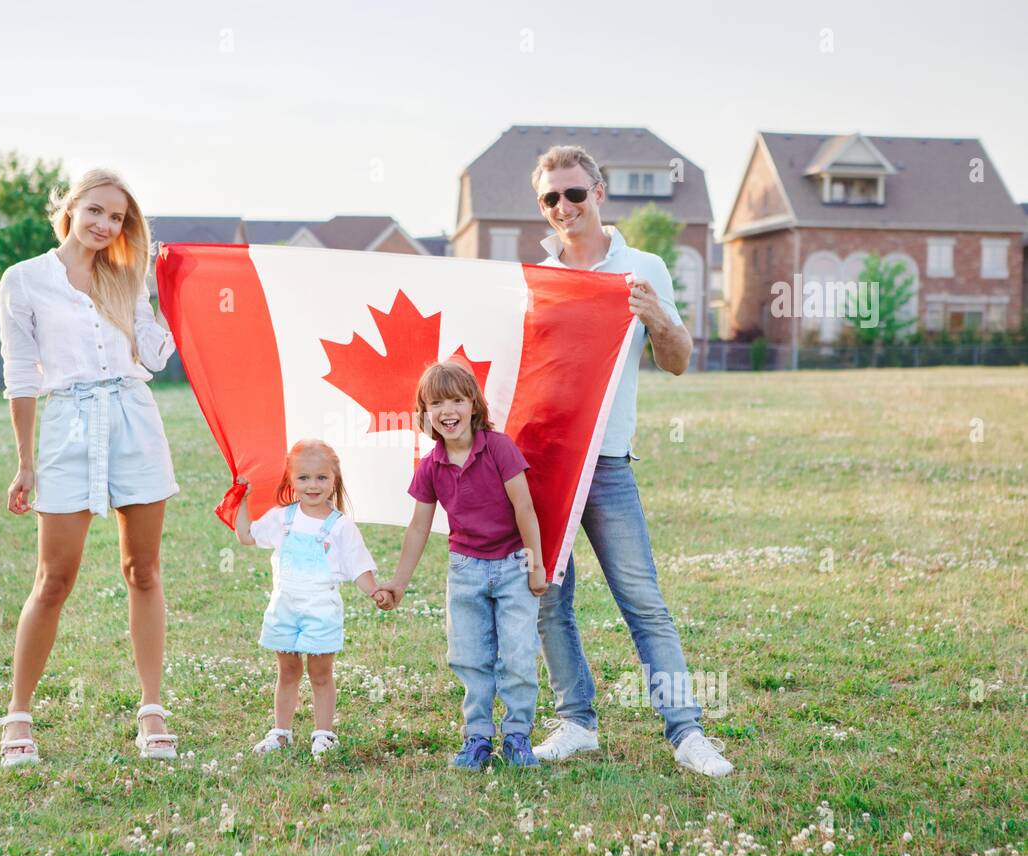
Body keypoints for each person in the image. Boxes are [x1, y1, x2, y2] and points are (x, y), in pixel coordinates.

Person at [529, 144, 732, 777]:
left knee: (642, 601)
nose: (565, 206)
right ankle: (576, 723)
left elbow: (676, 359)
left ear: (599, 191)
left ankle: (687, 732)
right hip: (544, 464)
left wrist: (654, 318)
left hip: (607, 462)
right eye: (551, 198)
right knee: (547, 600)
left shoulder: (641, 267)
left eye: (574, 193)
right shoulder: (536, 276)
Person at [0, 168, 181, 766]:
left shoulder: (126, 277)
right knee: (53, 580)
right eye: (96, 211)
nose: (105, 225)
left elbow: (151, 355)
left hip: (133, 417)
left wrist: (158, 292)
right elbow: (21, 377)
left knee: (143, 570)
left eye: (118, 218)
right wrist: (26, 463)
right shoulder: (23, 281)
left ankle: (152, 710)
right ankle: (18, 717)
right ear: (70, 208)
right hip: (68, 425)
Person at [375, 361, 548, 770]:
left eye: (455, 399)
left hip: (512, 565)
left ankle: (518, 736)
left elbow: (524, 506)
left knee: (518, 654)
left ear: (473, 404)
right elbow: (418, 528)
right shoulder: (431, 466)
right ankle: (478, 738)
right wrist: (399, 582)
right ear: (425, 413)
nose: (447, 410)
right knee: (469, 655)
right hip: (465, 569)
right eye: (436, 402)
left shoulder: (499, 447)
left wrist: (536, 563)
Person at [233, 440, 381, 758]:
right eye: (303, 478)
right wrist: (242, 500)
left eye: (321, 478)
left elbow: (360, 566)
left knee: (320, 673)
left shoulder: (340, 526)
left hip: (321, 611)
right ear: (290, 480)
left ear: (334, 480)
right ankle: (281, 732)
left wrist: (375, 591)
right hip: (285, 609)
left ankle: (324, 734)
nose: (312, 485)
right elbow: (246, 536)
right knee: (287, 671)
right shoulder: (281, 518)